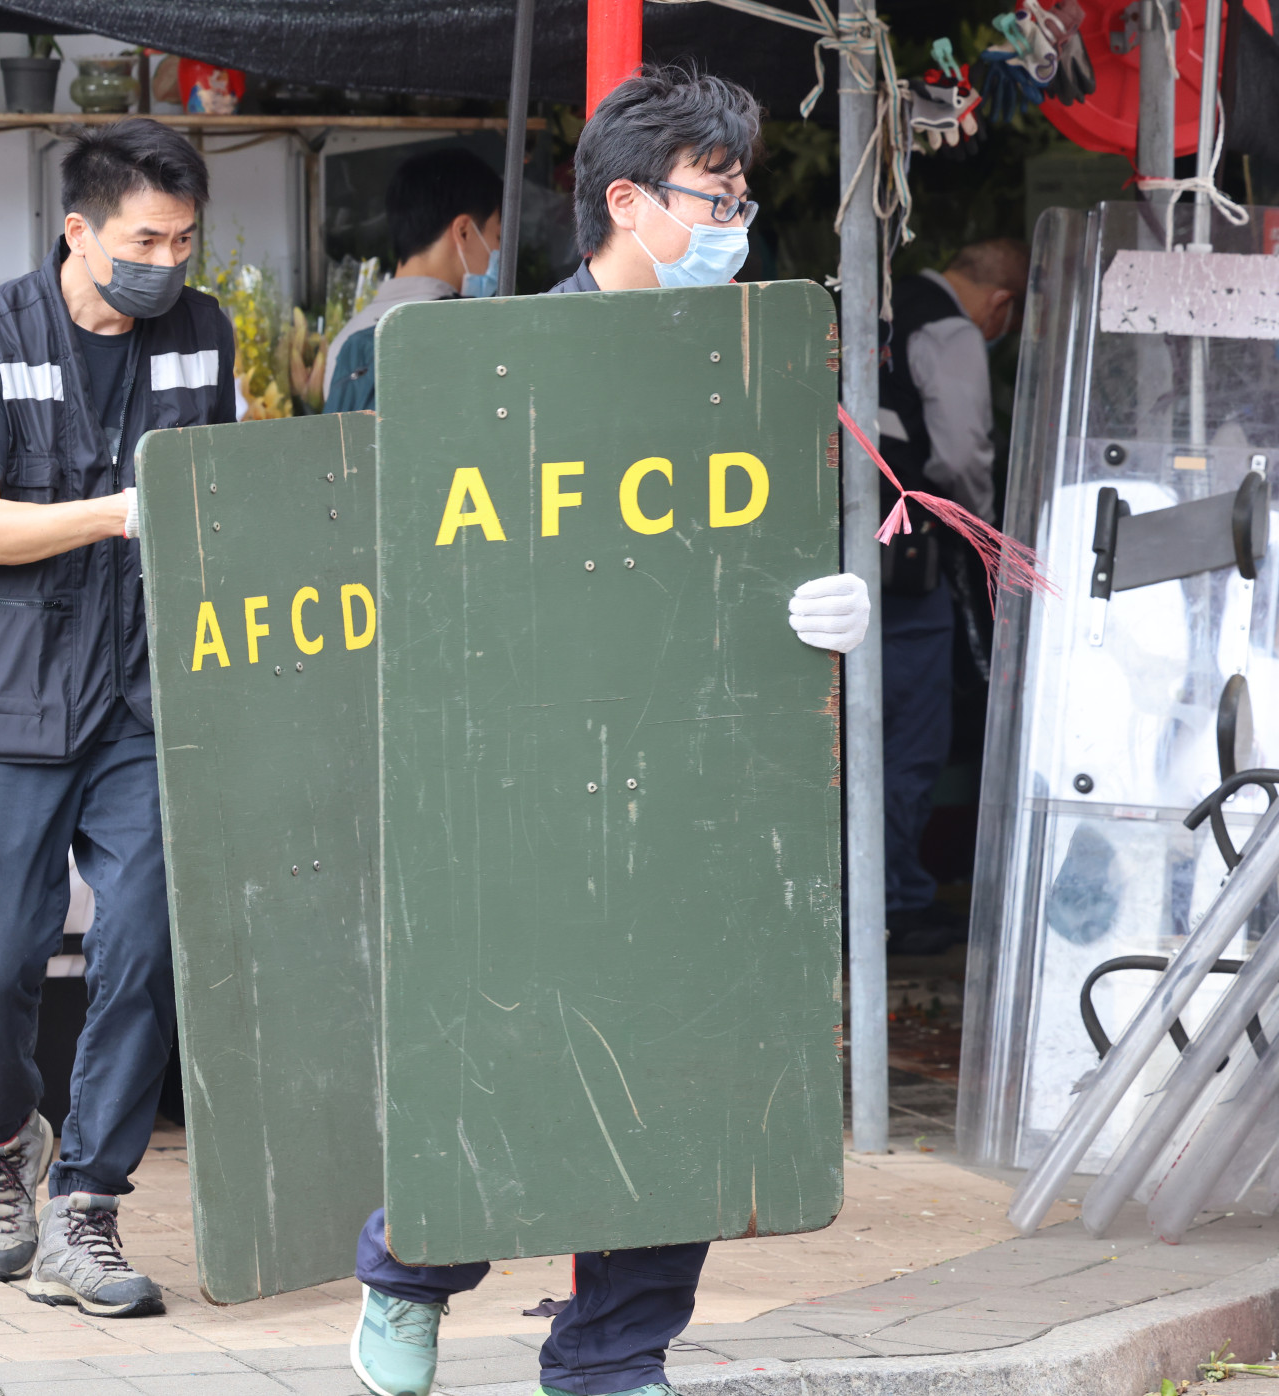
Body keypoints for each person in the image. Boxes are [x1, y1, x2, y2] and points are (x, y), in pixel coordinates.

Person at [345, 64, 872, 1396]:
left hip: (696, 774)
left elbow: (771, 549)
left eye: (742, 191)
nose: (733, 217)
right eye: (714, 191)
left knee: (681, 1059)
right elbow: (417, 576)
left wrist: (819, 601)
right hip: (531, 775)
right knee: (511, 1042)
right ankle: (409, 1269)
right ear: (625, 202)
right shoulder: (500, 368)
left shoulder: (750, 366)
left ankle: (610, 1354)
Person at [0, 119, 236, 1318]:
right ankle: (3, 1147)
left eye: (185, 238)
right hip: (13, 694)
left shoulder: (200, 336)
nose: (166, 259)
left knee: (146, 942)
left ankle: (85, 1205)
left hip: (145, 694)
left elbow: (224, 499)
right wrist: (117, 514)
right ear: (78, 229)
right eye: (145, 237)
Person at [873, 239, 1027, 955]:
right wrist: (983, 535)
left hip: (850, 553)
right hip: (908, 564)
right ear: (1001, 304)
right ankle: (896, 899)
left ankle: (870, 891)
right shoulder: (953, 330)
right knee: (909, 733)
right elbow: (961, 453)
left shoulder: (881, 306)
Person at [323, 147, 506, 412]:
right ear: (464, 231)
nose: (499, 251)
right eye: (498, 237)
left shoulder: (344, 343)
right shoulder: (468, 335)